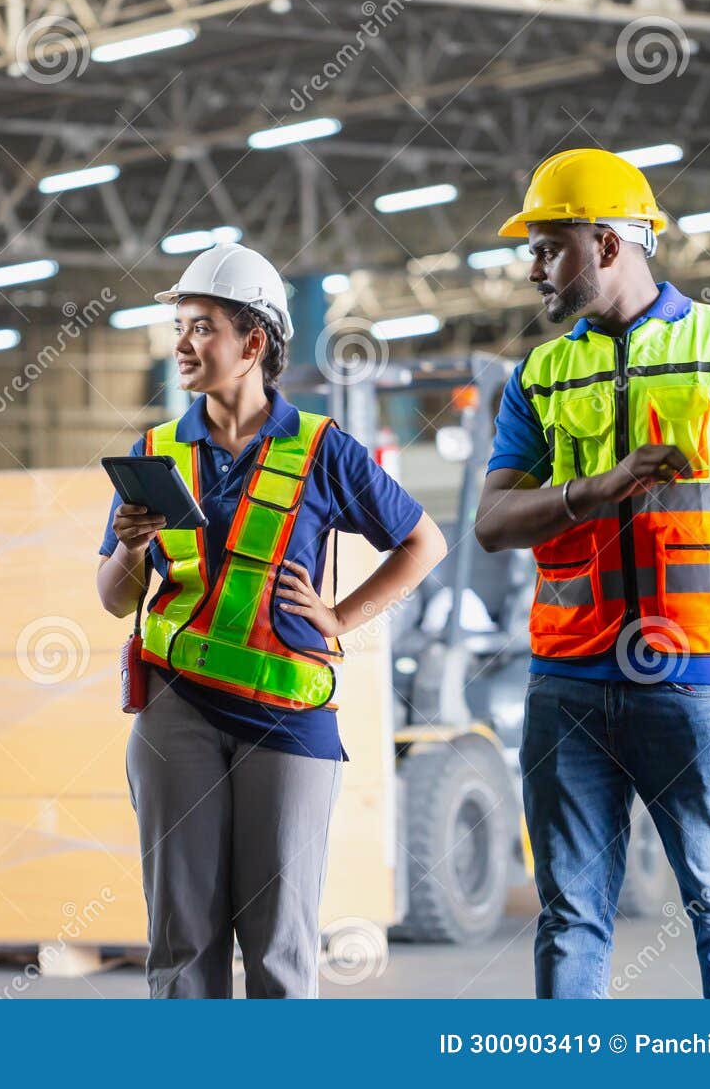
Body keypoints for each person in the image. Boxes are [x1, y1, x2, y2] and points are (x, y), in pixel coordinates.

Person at [97, 242, 447, 998]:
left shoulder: (322, 449)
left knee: (279, 947)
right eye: (180, 326)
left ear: (254, 342)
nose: (183, 344)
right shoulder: (155, 452)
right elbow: (115, 596)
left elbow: (425, 542)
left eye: (202, 327)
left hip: (288, 720)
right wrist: (131, 548)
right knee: (181, 945)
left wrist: (340, 616)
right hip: (176, 707)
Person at [474, 148, 710, 998]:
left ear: (606, 245)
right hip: (568, 680)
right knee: (571, 917)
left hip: (699, 682)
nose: (532, 267)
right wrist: (595, 490)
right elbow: (493, 523)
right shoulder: (541, 374)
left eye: (547, 244)